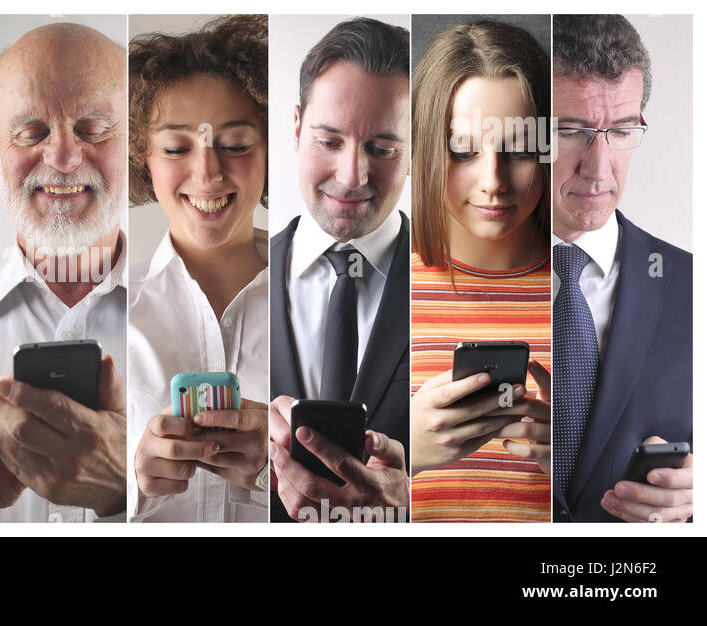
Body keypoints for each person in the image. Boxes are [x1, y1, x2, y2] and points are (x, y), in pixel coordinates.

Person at [126, 15, 270, 523]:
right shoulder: (107, 308)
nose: (207, 172)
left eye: (235, 145)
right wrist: (130, 484)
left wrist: (277, 475)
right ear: (145, 157)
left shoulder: (319, 299)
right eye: (176, 147)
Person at [408, 20, 553, 522]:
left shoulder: (585, 290)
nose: (493, 182)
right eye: (463, 151)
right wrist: (402, 449)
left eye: (518, 149)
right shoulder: (378, 285)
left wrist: (576, 460)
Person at [267, 17, 411, 523]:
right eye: (329, 142)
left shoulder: (462, 288)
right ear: (296, 129)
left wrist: (411, 508)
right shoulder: (241, 277)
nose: (352, 177)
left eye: (383, 148)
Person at [0, 22, 129, 522]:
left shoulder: (190, 309)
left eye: (92, 129)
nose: (64, 159)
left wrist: (124, 493)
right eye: (31, 132)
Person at [551, 15, 692, 523]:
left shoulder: (692, 288)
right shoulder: (441, 281)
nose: (599, 167)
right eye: (571, 130)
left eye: (623, 130)